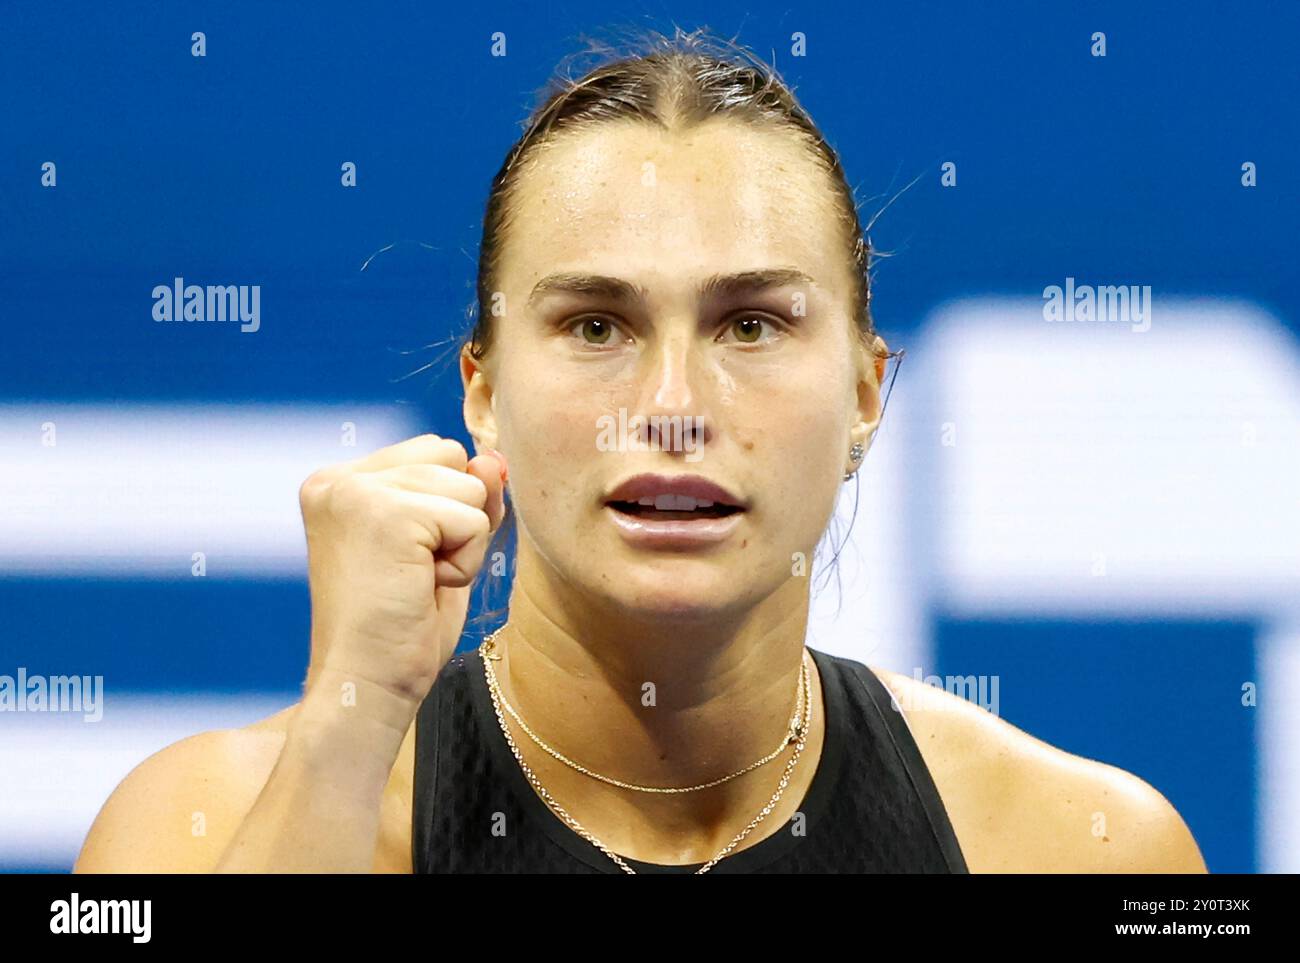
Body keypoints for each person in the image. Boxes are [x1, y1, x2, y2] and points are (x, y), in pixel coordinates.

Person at [74, 27, 1207, 874]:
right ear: (484, 392)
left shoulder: (1085, 850)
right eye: (596, 326)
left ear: (866, 390)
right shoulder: (200, 829)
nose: (671, 406)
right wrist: (348, 728)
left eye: (751, 323)